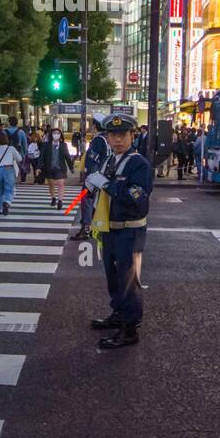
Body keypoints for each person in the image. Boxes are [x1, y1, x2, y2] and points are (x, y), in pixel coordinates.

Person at [83, 113, 153, 349]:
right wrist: (92, 187)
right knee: (113, 278)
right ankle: (118, 314)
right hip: (109, 230)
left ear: (132, 135)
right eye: (112, 135)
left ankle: (130, 329)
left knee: (127, 281)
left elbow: (138, 198)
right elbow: (103, 193)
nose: (117, 140)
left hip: (129, 231)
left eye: (122, 134)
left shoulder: (138, 164)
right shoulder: (109, 160)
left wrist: (107, 185)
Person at [72, 115, 110, 240]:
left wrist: (89, 178)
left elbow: (93, 160)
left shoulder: (98, 140)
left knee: (86, 201)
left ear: (95, 126)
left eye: (92, 125)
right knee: (97, 202)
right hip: (104, 175)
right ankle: (95, 227)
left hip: (95, 176)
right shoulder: (107, 138)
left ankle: (86, 228)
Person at [41, 126, 76, 210]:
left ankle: (60, 200)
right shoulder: (46, 145)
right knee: (51, 184)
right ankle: (53, 198)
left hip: (60, 168)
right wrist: (38, 167)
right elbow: (41, 157)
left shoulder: (63, 145)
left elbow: (67, 157)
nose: (56, 135)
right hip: (49, 167)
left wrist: (71, 168)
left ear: (60, 135)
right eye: (54, 133)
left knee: (60, 184)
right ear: (51, 135)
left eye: (58, 133)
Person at [0, 131, 21, 215]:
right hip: (9, 169)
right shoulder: (11, 148)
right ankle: (7, 202)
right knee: (9, 188)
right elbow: (19, 159)